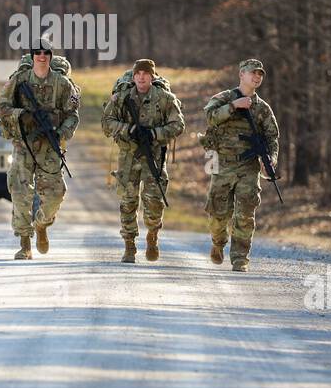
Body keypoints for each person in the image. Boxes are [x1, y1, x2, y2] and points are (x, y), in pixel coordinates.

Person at [0, 41, 80, 260]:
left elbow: (72, 114)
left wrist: (60, 134)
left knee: (55, 195)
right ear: (32, 57)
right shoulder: (19, 80)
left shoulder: (62, 83)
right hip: (23, 144)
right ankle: (24, 243)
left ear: (50, 56)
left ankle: (41, 224)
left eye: (46, 53)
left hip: (50, 146)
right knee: (20, 194)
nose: (41, 56)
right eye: (37, 53)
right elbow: (1, 108)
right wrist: (22, 114)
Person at [101, 59, 184, 263]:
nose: (141, 77)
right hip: (128, 157)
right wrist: (129, 130)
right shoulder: (122, 97)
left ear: (152, 76)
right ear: (133, 75)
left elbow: (178, 125)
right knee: (128, 203)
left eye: (146, 73)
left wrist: (154, 134)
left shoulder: (164, 98)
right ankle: (129, 247)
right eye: (138, 73)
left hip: (153, 158)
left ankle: (152, 236)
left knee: (154, 204)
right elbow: (106, 123)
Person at [201, 58, 280, 272]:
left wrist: (271, 159)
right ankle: (218, 242)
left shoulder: (262, 108)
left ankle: (240, 259)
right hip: (223, 164)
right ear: (241, 75)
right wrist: (233, 106)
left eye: (260, 74)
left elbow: (272, 137)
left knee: (245, 214)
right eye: (253, 73)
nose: (257, 77)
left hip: (248, 167)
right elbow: (210, 117)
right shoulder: (224, 98)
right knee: (218, 214)